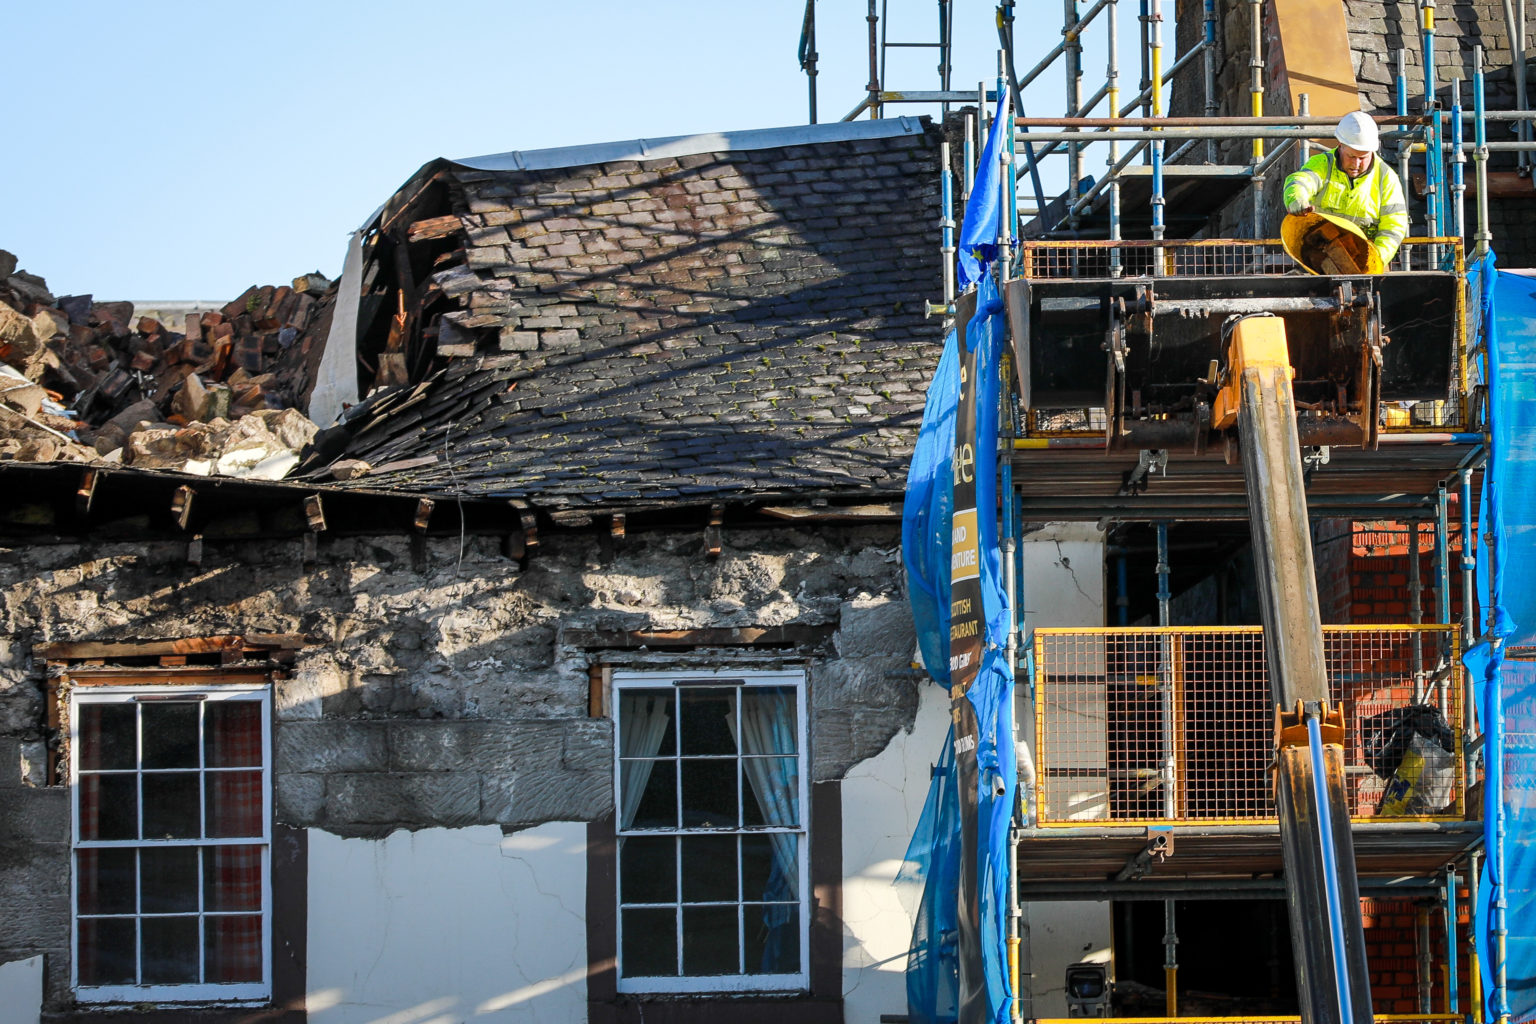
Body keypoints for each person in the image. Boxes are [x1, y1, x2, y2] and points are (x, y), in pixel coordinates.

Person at [1283, 111, 1409, 267]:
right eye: (1351, 156)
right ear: (1340, 145)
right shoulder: (1322, 164)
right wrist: (1296, 199)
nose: (1356, 164)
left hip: (1365, 261)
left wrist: (1376, 260)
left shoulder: (1386, 177)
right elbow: (1300, 181)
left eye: (1362, 158)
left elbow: (1393, 227)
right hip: (1320, 256)